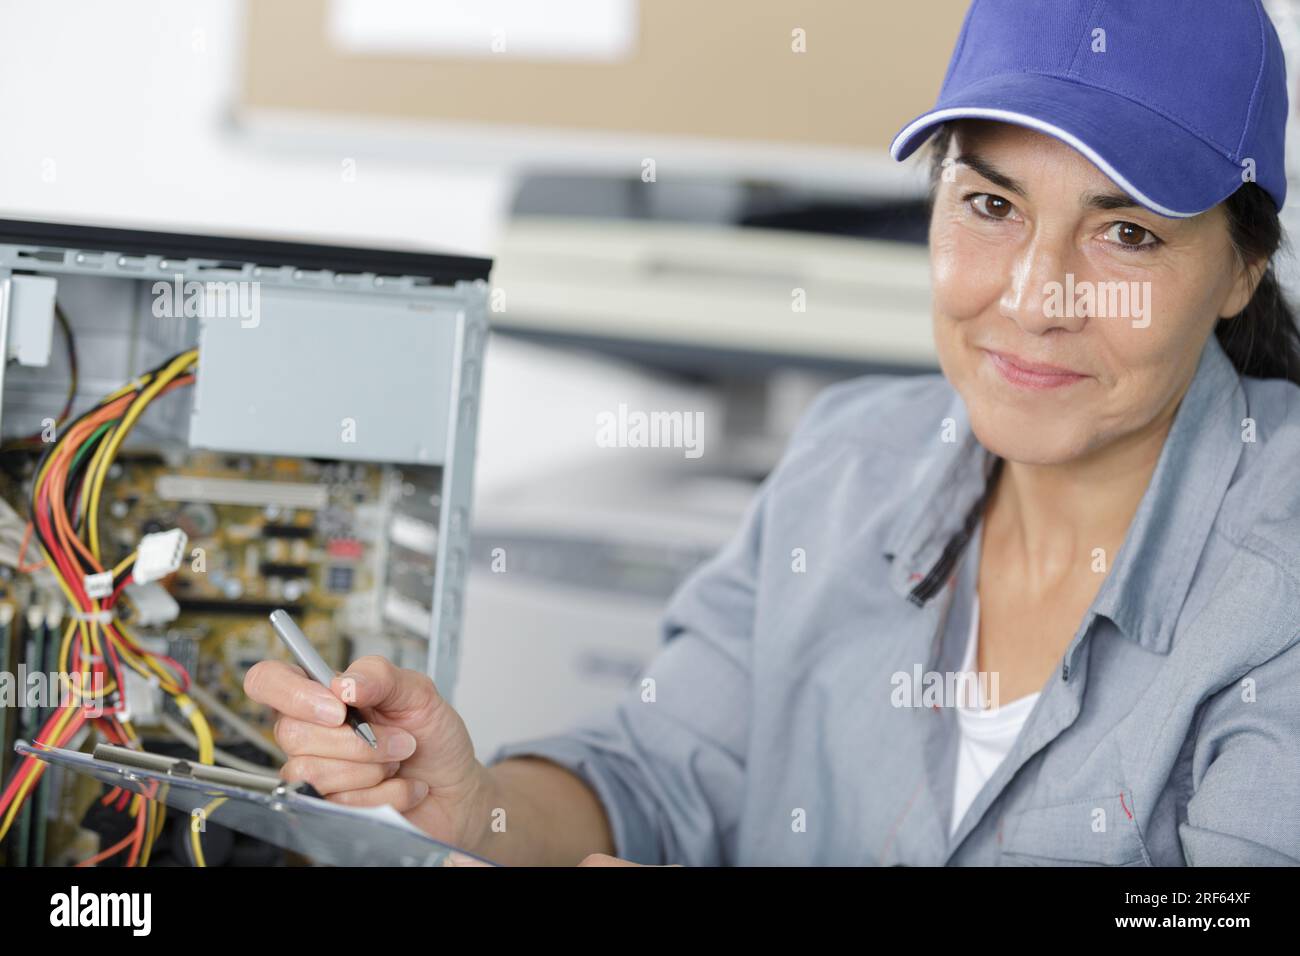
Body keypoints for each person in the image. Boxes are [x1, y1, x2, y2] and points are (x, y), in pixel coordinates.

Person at [245, 0, 1300, 865]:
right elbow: (657, 780)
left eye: (1126, 232)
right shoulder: (848, 460)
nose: (1033, 296)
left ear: (1241, 266)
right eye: (990, 205)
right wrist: (474, 803)